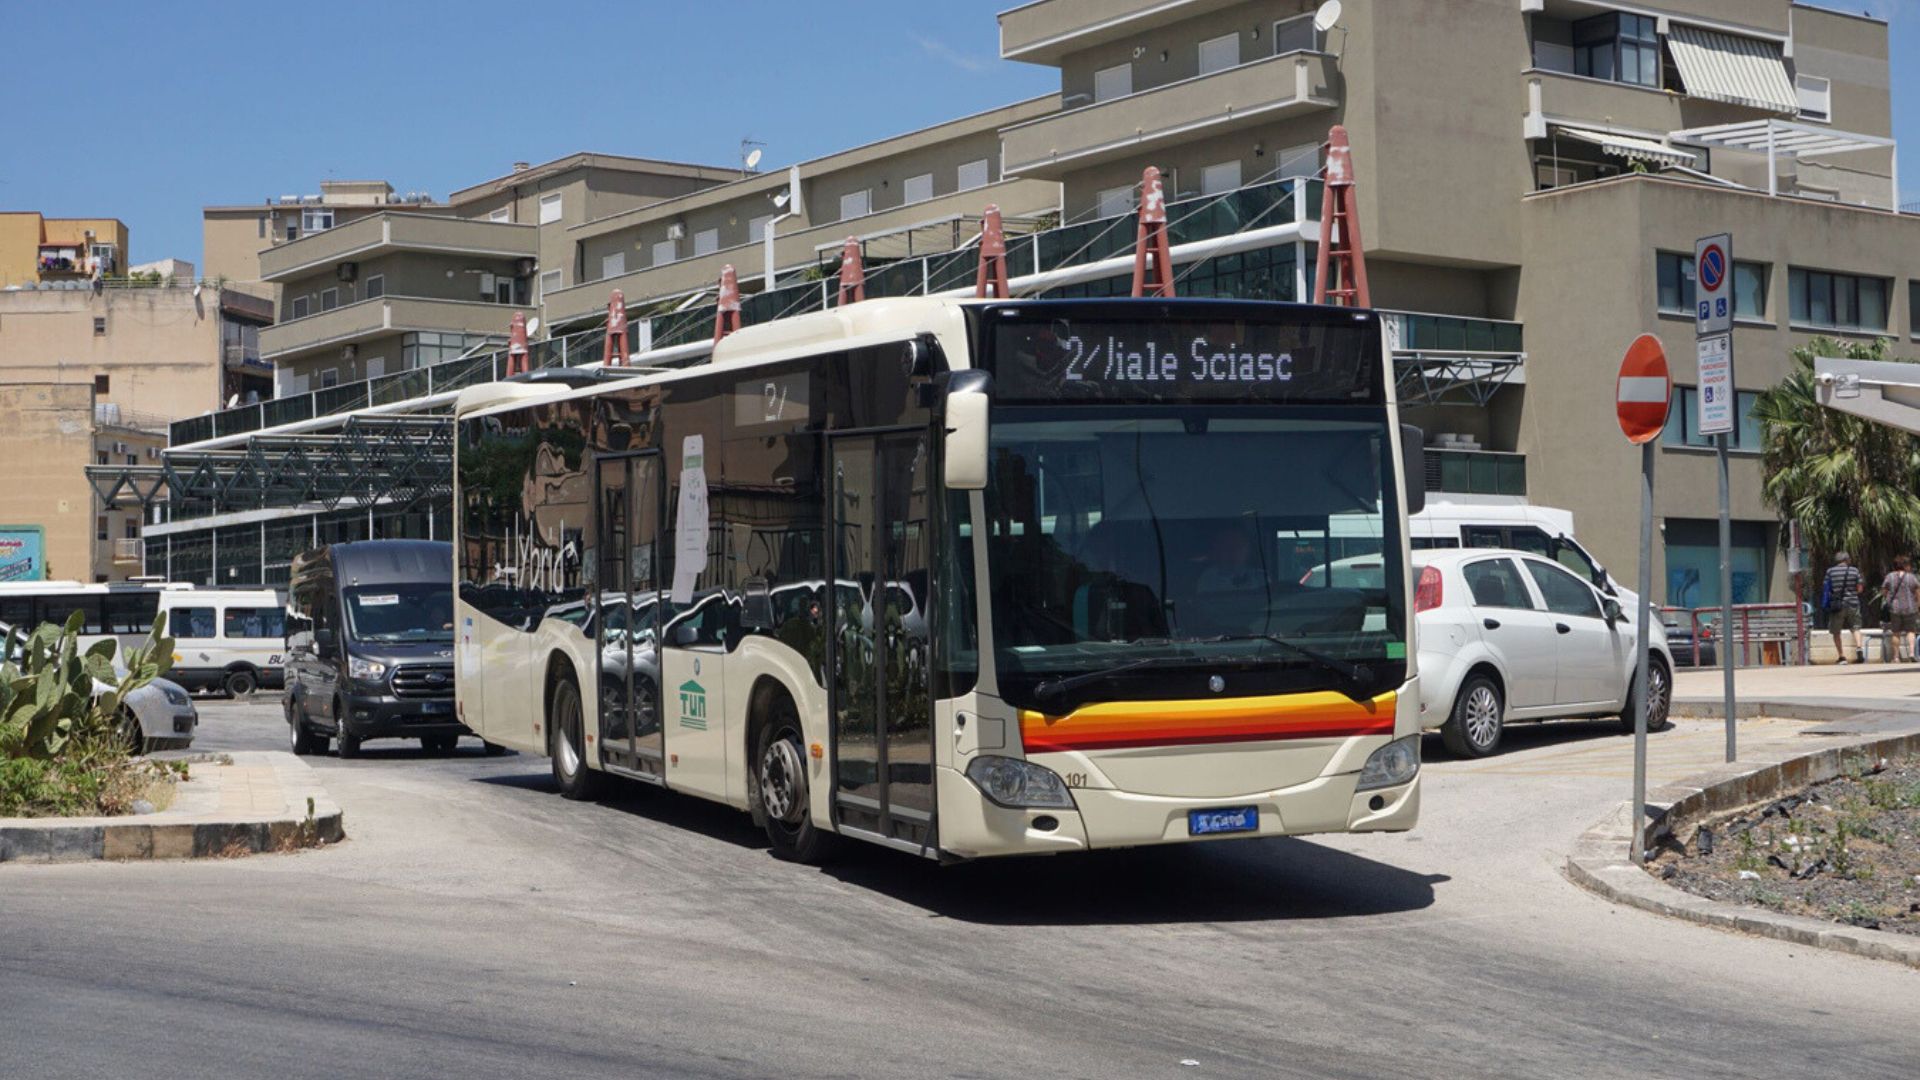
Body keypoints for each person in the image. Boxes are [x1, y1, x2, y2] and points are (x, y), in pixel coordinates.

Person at [1825, 552, 1865, 664]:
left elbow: (1827, 588)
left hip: (1837, 605)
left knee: (1836, 631)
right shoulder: (1854, 570)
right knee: (1856, 628)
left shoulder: (1830, 571)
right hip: (1853, 603)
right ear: (1847, 560)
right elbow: (1860, 588)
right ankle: (1859, 647)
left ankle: (1842, 657)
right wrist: (1852, 593)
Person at [1881, 554, 1920, 663]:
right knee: (1911, 631)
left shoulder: (1890, 576)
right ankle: (1912, 653)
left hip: (1895, 608)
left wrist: (1888, 599)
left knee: (1896, 632)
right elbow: (1917, 591)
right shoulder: (1911, 577)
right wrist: (1918, 604)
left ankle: (1896, 657)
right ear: (1906, 565)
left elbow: (1884, 591)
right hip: (1910, 608)